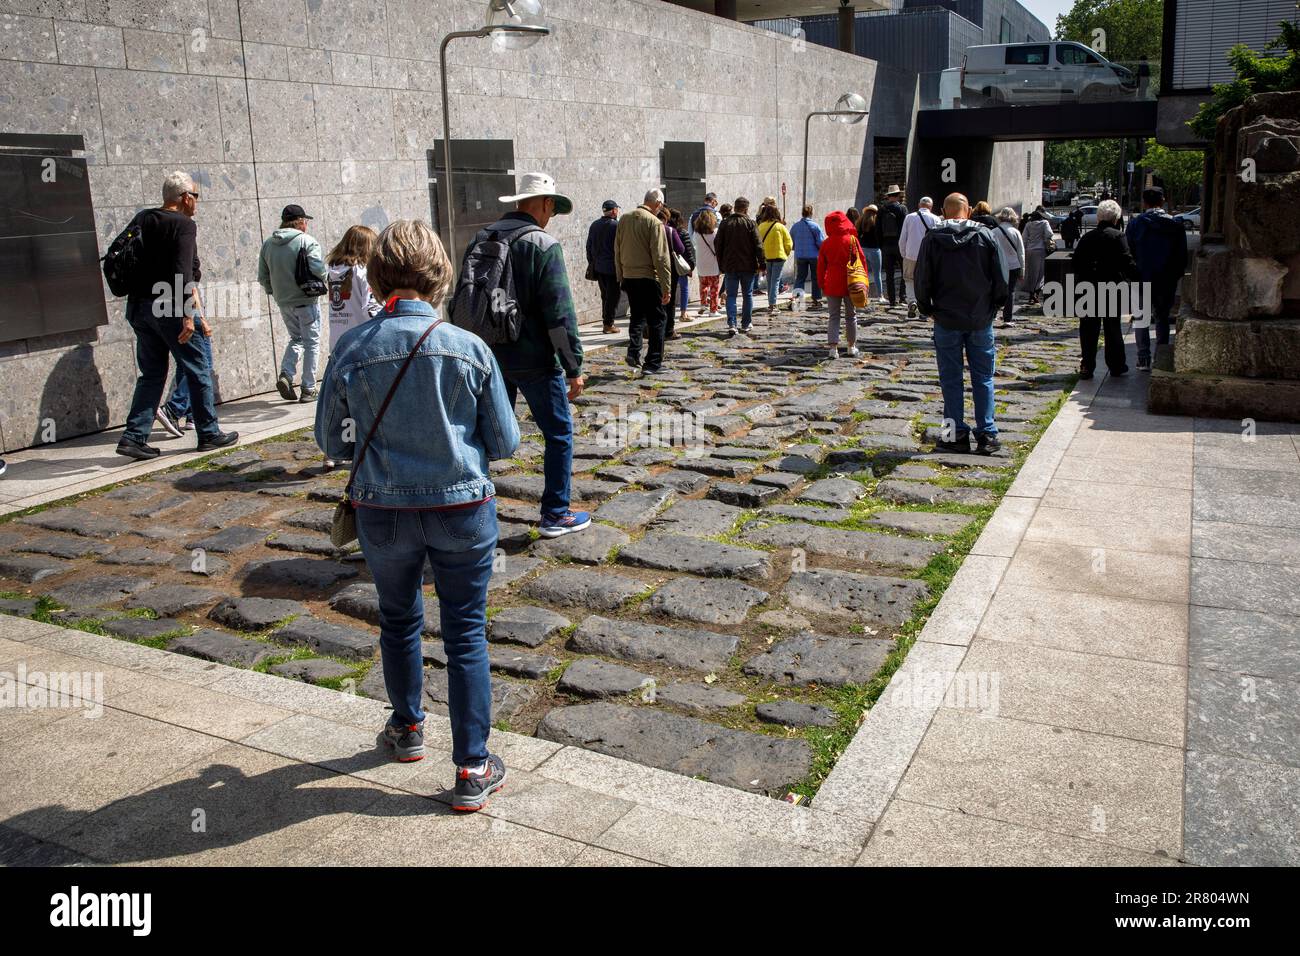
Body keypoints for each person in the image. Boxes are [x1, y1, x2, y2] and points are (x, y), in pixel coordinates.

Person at [316, 219, 519, 811]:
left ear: (379, 277)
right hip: (462, 509)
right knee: (465, 633)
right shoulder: (469, 347)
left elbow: (330, 438)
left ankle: (406, 729)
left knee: (399, 619)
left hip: (384, 510)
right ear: (438, 274)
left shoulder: (353, 348)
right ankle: (473, 767)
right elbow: (504, 442)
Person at [465, 172, 588, 538]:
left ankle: (472, 513)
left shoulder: (481, 237)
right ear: (546, 204)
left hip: (486, 352)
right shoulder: (542, 244)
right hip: (533, 357)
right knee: (559, 433)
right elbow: (559, 312)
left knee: (480, 434)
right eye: (553, 207)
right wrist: (573, 365)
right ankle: (555, 513)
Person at [117, 171, 237, 460]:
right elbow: (183, 271)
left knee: (152, 373)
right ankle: (208, 432)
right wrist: (188, 315)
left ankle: (133, 437)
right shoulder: (184, 224)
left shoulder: (144, 218)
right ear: (185, 198)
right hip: (171, 307)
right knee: (198, 368)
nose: (196, 201)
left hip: (140, 307)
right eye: (195, 196)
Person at [914, 192, 1008, 457]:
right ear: (968, 211)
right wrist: (996, 306)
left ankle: (952, 435)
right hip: (980, 317)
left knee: (950, 380)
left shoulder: (933, 238)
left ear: (944, 211)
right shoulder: (986, 236)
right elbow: (1000, 277)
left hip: (945, 318)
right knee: (983, 378)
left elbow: (922, 277)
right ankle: (987, 434)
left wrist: (926, 308)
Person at [258, 203, 327, 403]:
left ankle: (286, 374)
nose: (306, 225)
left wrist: (275, 291)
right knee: (312, 343)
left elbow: (263, 276)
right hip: (306, 299)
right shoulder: (307, 241)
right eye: (305, 221)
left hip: (283, 301)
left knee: (296, 338)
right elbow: (318, 269)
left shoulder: (268, 244)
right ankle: (308, 388)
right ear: (299, 222)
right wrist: (326, 278)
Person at [1126, 186, 1188, 371]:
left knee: (1141, 319)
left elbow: (1129, 252)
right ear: (1163, 201)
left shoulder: (1136, 224)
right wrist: (1175, 275)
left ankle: (1143, 358)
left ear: (1144, 203)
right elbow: (1182, 256)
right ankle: (1161, 357)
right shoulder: (1175, 224)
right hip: (1166, 279)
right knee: (1162, 318)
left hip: (1141, 277)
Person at [1072, 199, 1135, 379]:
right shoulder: (1118, 237)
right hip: (1111, 288)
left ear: (1099, 217)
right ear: (1116, 218)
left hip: (1088, 288)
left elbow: (1076, 263)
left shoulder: (1087, 237)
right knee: (1112, 327)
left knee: (1088, 329)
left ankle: (1087, 365)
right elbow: (1127, 262)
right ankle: (1116, 365)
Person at [615, 188, 672, 370]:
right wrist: (666, 286)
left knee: (637, 316)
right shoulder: (654, 222)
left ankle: (633, 351)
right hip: (649, 277)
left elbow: (617, 249)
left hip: (630, 276)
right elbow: (660, 257)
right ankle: (653, 363)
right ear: (658, 204)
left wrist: (620, 276)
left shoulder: (624, 218)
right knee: (657, 319)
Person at [152, 283, 213, 438]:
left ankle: (192, 415)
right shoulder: (182, 261)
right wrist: (201, 318)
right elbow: (190, 288)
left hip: (169, 311)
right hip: (188, 314)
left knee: (184, 365)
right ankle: (174, 409)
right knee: (203, 365)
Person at [714, 196, 765, 335]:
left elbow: (718, 244)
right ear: (746, 209)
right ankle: (746, 323)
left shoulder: (725, 223)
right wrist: (762, 263)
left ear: (735, 207)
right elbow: (758, 245)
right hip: (748, 266)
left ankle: (732, 324)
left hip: (730, 265)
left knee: (731, 295)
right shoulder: (750, 223)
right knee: (747, 294)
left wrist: (721, 262)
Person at [817, 210, 863, 361]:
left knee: (833, 316)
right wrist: (863, 282)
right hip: (851, 282)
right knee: (851, 316)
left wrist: (821, 283)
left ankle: (832, 349)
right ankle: (851, 346)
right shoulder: (852, 240)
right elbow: (861, 261)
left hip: (832, 282)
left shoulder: (826, 243)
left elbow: (821, 266)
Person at [326, 224, 381, 346]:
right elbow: (371, 310)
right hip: (359, 343)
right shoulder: (364, 271)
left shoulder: (333, 271)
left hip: (337, 342)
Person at [899, 196, 940, 317]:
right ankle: (925, 308)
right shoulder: (936, 219)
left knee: (909, 279)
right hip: (928, 256)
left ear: (919, 205)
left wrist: (904, 254)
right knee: (927, 281)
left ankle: (912, 301)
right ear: (931, 207)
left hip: (910, 254)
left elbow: (903, 238)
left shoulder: (909, 217)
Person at [586, 199, 621, 334]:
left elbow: (588, 247)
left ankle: (606, 321)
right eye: (616, 209)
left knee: (605, 295)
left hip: (598, 267)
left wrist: (592, 262)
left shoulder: (594, 225)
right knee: (613, 296)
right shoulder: (616, 226)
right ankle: (608, 324)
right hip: (612, 268)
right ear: (613, 211)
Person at [658, 206, 690, 340]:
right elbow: (681, 248)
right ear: (666, 218)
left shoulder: (648, 229)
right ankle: (669, 331)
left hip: (652, 270)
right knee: (669, 301)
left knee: (655, 301)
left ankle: (652, 330)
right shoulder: (669, 230)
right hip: (670, 269)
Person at [991, 207, 1025, 327]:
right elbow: (1021, 253)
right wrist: (1022, 270)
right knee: (1010, 292)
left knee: (995, 290)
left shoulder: (994, 231)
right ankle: (1007, 317)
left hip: (999, 265)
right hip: (1014, 265)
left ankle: (993, 314)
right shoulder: (1015, 232)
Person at [756, 202, 793, 315]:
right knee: (775, 281)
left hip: (766, 257)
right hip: (778, 256)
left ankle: (770, 304)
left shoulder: (760, 226)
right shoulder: (780, 226)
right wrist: (786, 253)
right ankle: (772, 305)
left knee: (770, 280)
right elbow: (789, 243)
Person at [877, 185, 908, 308]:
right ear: (898, 195)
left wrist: (881, 245)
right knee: (904, 272)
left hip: (886, 245)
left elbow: (878, 230)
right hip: (900, 244)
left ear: (889, 196)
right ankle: (902, 297)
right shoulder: (902, 209)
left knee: (889, 274)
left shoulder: (882, 209)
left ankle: (891, 300)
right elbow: (906, 228)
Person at [790, 204, 825, 310]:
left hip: (800, 255)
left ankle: (797, 300)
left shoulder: (795, 226)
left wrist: (796, 248)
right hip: (814, 255)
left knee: (800, 278)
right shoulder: (815, 226)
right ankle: (816, 300)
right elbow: (820, 242)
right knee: (816, 277)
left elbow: (791, 239)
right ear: (811, 213)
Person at [1020, 208, 1054, 306]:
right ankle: (1036, 294)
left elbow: (1024, 238)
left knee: (1031, 272)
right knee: (1040, 273)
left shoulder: (1028, 225)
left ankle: (1031, 294)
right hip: (1040, 250)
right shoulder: (1044, 223)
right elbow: (1049, 234)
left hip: (1029, 250)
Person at [692, 208, 722, 317]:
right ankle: (713, 310)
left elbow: (694, 244)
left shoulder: (696, 234)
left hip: (701, 264)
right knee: (714, 288)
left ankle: (703, 304)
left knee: (703, 285)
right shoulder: (715, 232)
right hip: (713, 264)